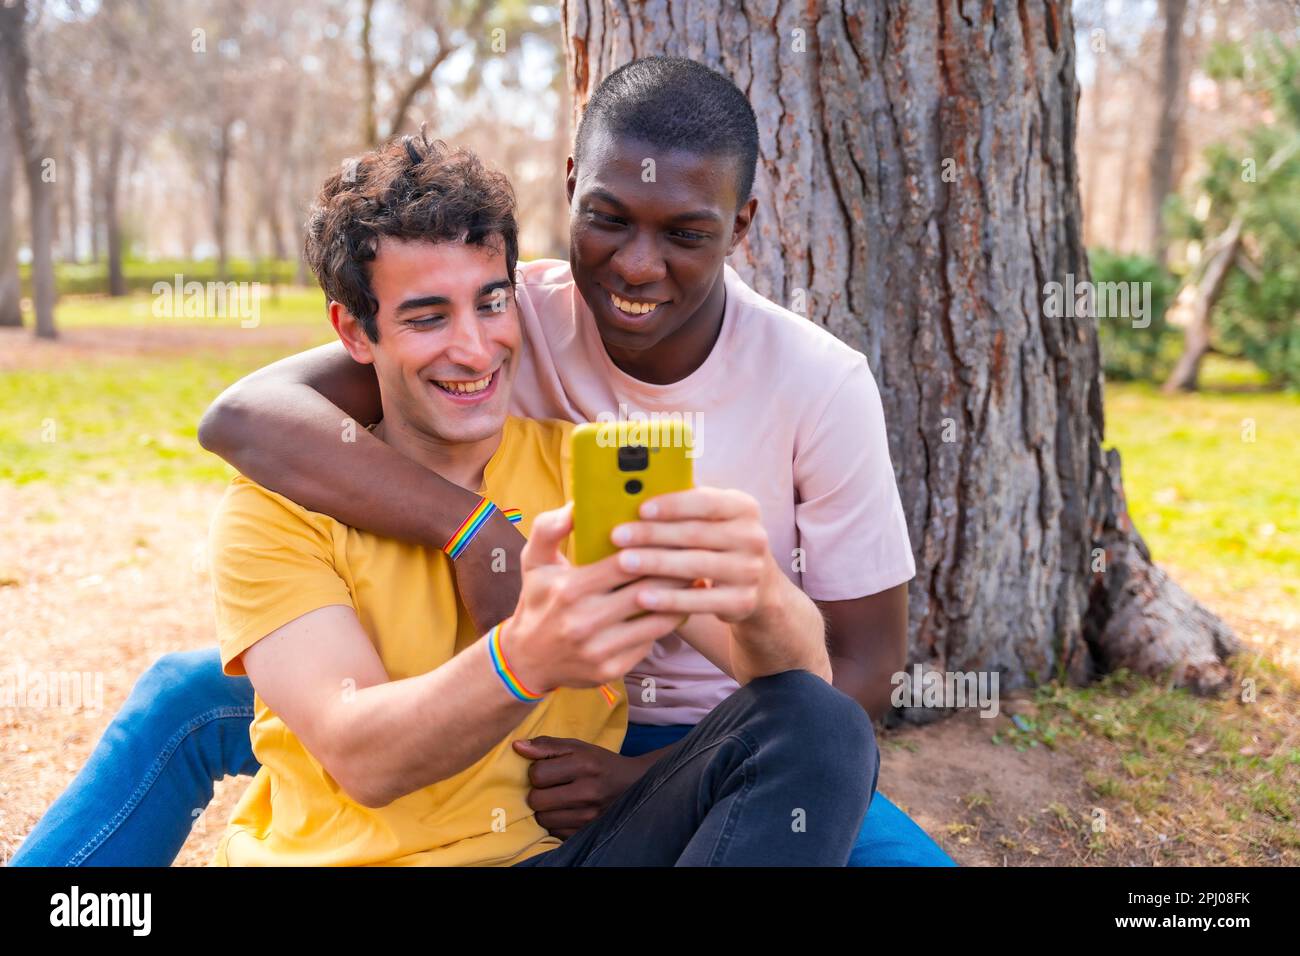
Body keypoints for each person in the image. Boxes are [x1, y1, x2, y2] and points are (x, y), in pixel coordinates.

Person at [11, 57, 952, 867]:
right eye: (426, 316)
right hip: (426, 772)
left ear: (741, 225)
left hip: (655, 765)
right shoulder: (511, 329)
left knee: (821, 735)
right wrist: (504, 599)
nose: (475, 346)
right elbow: (243, 419)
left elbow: (826, 680)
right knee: (194, 694)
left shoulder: (633, 452)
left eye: (488, 305)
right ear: (356, 332)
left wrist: (759, 596)